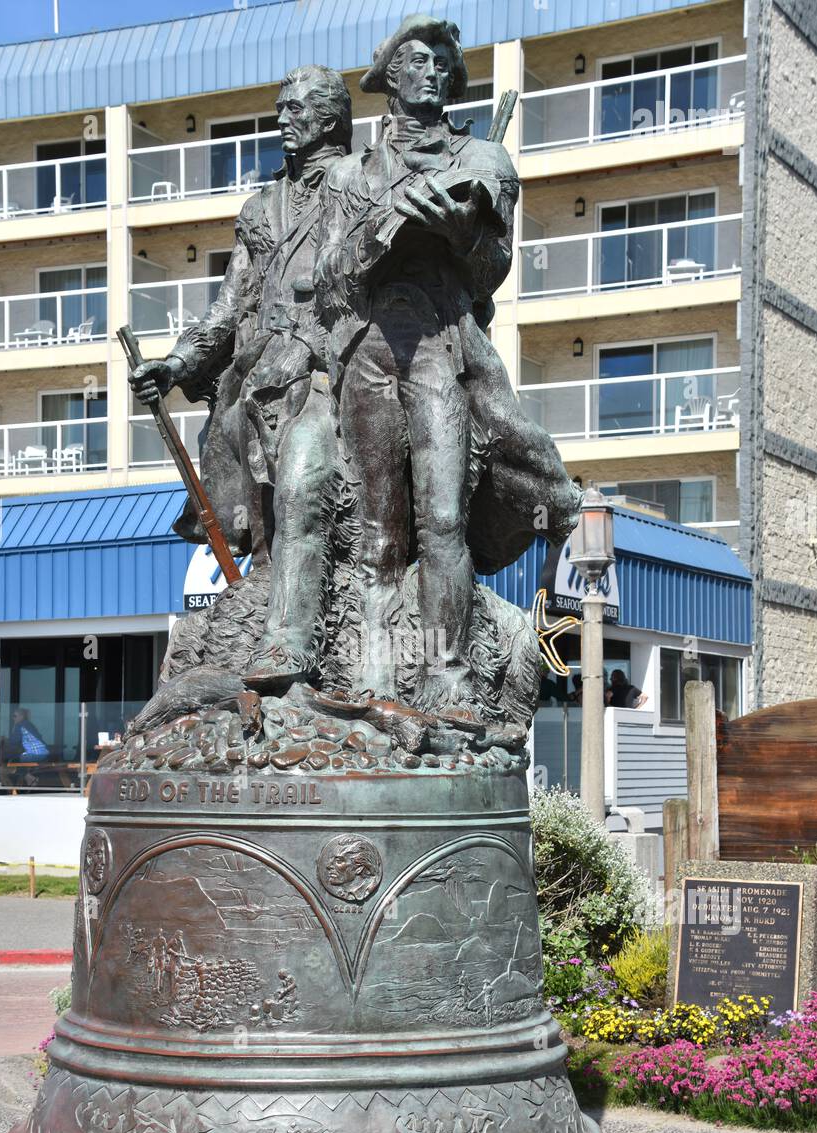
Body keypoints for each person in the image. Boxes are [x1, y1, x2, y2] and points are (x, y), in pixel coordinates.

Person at [313, 15, 580, 717]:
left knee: (442, 519)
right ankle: (371, 682)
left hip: (440, 343)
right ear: (389, 78)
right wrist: (383, 225)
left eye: (441, 63)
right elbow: (332, 280)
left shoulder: (483, 161)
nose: (431, 71)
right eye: (416, 59)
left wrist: (462, 230)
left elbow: (493, 272)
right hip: (370, 348)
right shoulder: (349, 175)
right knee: (376, 534)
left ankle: (448, 674)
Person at [130, 66, 352, 689]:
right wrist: (175, 365)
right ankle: (263, 609)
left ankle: (299, 639)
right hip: (259, 376)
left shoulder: (359, 185)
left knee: (306, 481)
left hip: (335, 365)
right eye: (280, 108)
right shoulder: (260, 209)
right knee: (239, 454)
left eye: (298, 109)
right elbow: (226, 311)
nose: (283, 119)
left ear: (331, 118)